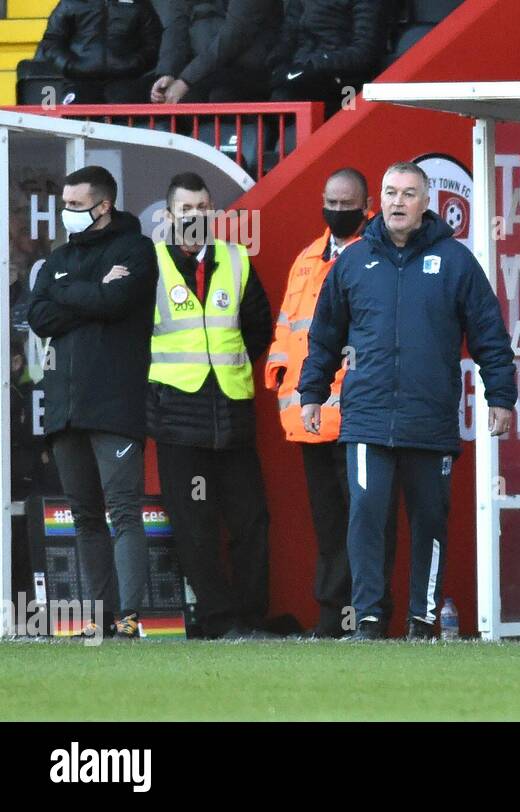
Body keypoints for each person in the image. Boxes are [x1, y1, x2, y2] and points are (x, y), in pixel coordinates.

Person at [299, 161, 517, 642]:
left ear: (426, 203)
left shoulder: (456, 261)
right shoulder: (354, 261)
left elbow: (490, 335)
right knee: (366, 517)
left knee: (430, 523)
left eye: (409, 193)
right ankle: (370, 619)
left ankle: (423, 619)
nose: (398, 202)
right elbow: (323, 336)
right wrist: (311, 392)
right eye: (391, 192)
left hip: (429, 420)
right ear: (380, 202)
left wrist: (501, 395)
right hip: (367, 419)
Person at [26, 165, 158, 638]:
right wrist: (91, 293)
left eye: (76, 206)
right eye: (65, 205)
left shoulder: (136, 250)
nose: (67, 214)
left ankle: (128, 616)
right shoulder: (58, 257)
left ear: (104, 206)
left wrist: (68, 295)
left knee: (122, 510)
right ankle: (100, 618)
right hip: (64, 406)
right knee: (84, 515)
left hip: (115, 403)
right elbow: (38, 315)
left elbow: (116, 303)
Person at [264, 168, 397, 638]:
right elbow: (288, 327)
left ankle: (367, 617)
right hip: (310, 416)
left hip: (360, 416)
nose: (338, 211)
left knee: (366, 523)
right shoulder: (306, 259)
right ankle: (332, 618)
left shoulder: (378, 256)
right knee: (329, 525)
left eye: (347, 204)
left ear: (368, 207)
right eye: (331, 202)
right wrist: (280, 375)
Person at [148, 172, 274, 639]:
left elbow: (259, 326)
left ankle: (251, 619)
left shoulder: (237, 259)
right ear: (170, 216)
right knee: (195, 528)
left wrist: (234, 366)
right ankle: (220, 622)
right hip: (178, 419)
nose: (197, 217)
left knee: (251, 522)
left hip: (233, 414)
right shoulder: (152, 263)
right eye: (187, 210)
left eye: (204, 209)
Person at [150, 0, 282, 103]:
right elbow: (176, 26)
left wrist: (186, 80)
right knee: (153, 97)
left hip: (251, 68)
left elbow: (235, 34)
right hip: (201, 70)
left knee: (199, 99)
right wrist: (168, 73)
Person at [269, 0, 386, 116]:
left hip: (343, 87)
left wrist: (315, 65)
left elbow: (365, 51)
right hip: (296, 84)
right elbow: (287, 37)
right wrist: (279, 64)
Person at [35, 0, 162, 103]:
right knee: (74, 125)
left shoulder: (139, 3)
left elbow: (153, 42)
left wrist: (135, 63)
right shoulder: (71, 3)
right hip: (78, 83)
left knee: (125, 129)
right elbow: (52, 41)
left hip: (127, 84)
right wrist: (70, 66)